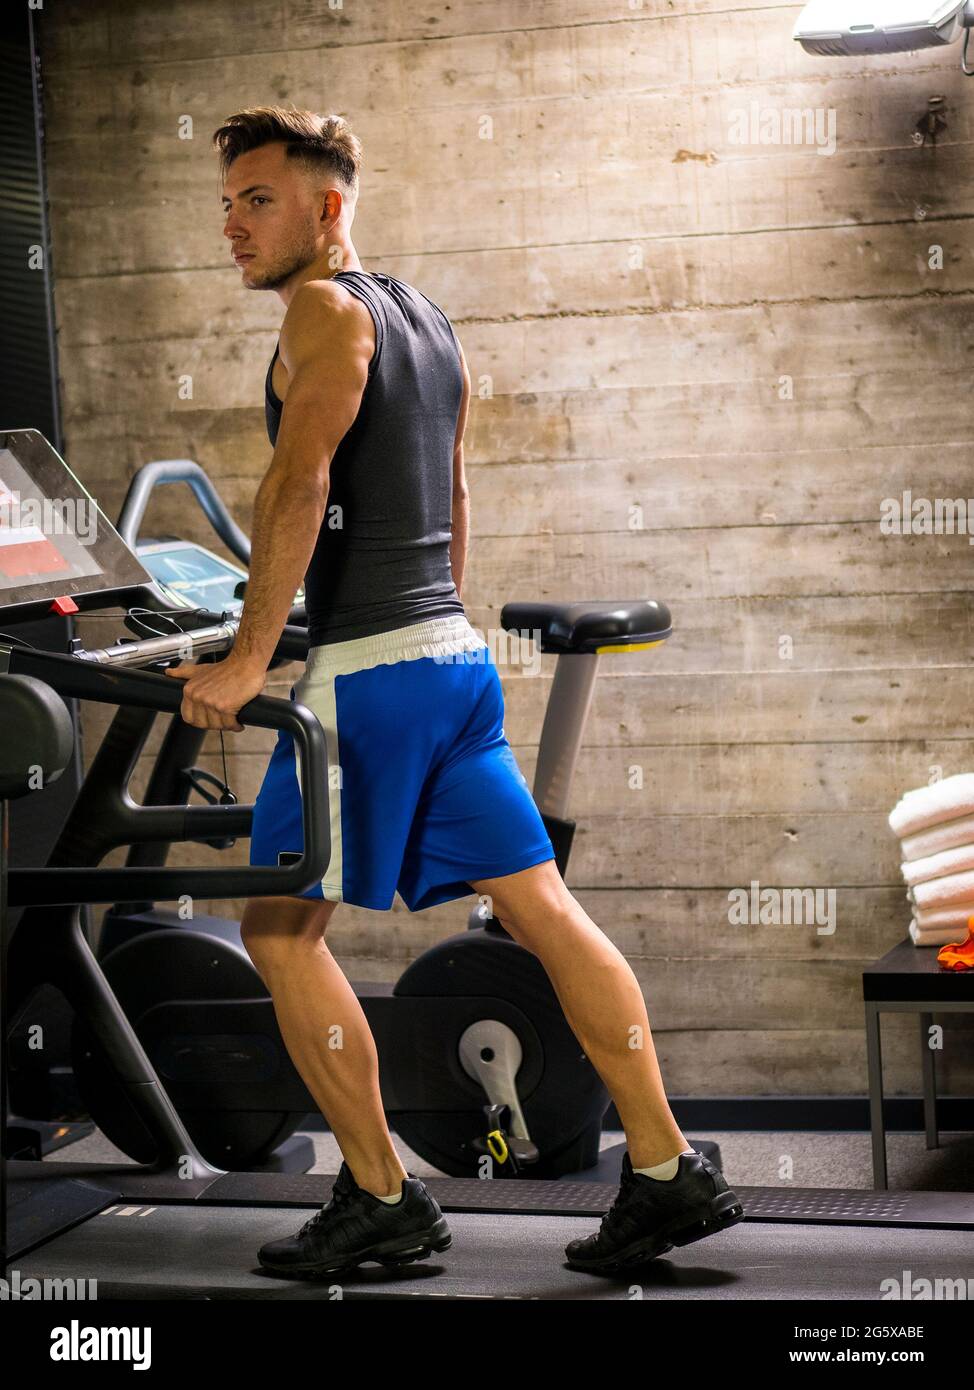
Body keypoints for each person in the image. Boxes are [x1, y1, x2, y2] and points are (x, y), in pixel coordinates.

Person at [165, 105, 743, 1278]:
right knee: (542, 910)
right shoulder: (423, 318)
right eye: (225, 201)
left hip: (370, 678)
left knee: (277, 932)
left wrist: (240, 662)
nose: (231, 223)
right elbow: (451, 497)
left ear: (328, 208)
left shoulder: (323, 313)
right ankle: (665, 1166)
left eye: (257, 199)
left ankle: (379, 1194)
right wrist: (423, 626)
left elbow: (296, 489)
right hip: (449, 661)